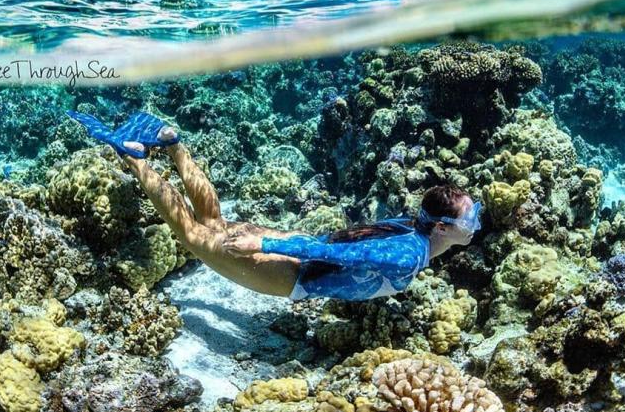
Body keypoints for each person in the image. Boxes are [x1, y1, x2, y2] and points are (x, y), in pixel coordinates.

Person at [67, 110, 481, 301]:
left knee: (213, 220)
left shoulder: (413, 228)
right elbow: (332, 252)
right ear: (442, 227)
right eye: (469, 216)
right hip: (291, 271)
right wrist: (261, 248)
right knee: (193, 235)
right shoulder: (408, 253)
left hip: (295, 252)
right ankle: (137, 157)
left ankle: (174, 144)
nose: (476, 220)